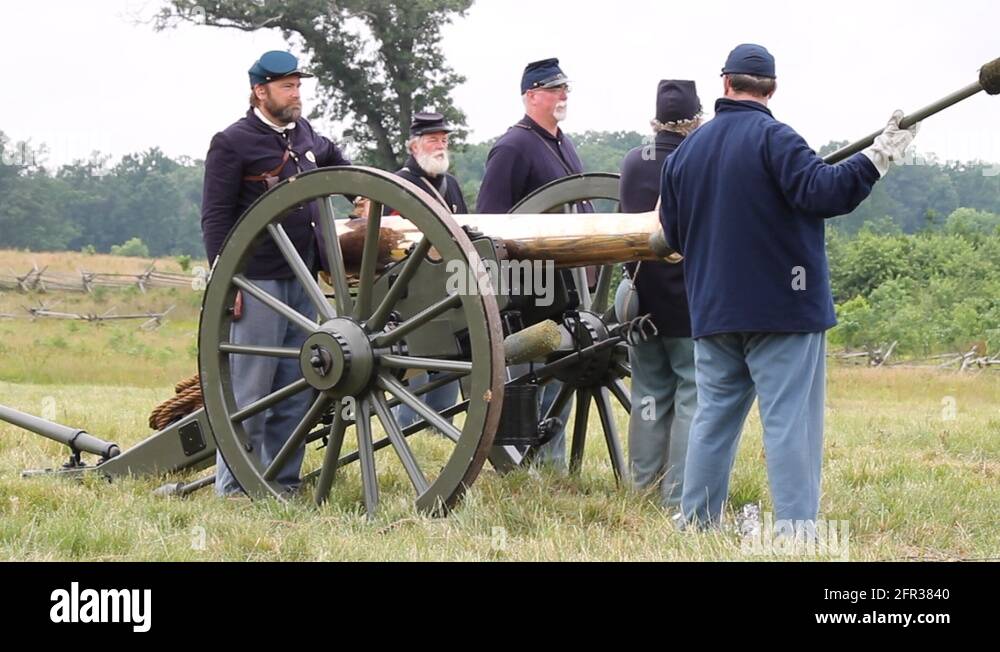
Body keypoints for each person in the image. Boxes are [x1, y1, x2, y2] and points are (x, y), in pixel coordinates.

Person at [659, 44, 917, 528]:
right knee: (789, 428)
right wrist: (878, 158)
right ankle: (796, 534)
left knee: (711, 422)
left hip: (713, 312)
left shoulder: (685, 154)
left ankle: (696, 523)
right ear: (772, 88)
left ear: (724, 83)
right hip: (784, 310)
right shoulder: (777, 139)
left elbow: (672, 235)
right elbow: (825, 191)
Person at [202, 51, 352, 496]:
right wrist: (226, 283)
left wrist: (358, 197)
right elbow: (215, 218)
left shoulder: (304, 134)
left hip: (304, 278)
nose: (296, 94)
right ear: (260, 91)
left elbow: (335, 162)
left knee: (296, 391)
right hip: (258, 282)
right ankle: (235, 490)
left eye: (298, 86)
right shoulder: (232, 142)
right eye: (287, 86)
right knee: (252, 394)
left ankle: (282, 484)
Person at [477, 58, 589, 468]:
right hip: (529, 283)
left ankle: (553, 466)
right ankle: (525, 464)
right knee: (531, 376)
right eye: (554, 89)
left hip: (565, 281)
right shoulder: (512, 147)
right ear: (531, 95)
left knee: (562, 372)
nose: (563, 95)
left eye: (565, 89)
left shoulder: (563, 142)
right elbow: (488, 221)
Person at [616, 80, 701, 508]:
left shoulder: (634, 161)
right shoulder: (698, 159)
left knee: (648, 393)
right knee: (692, 394)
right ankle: (678, 497)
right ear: (695, 120)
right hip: (684, 299)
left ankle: (643, 488)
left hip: (636, 294)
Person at [392, 112, 468, 427]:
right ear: (414, 146)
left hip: (447, 293)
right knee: (416, 384)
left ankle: (439, 437)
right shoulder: (398, 185)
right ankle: (410, 433)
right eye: (433, 139)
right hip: (412, 297)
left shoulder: (450, 185)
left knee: (448, 376)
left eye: (444, 140)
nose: (440, 146)